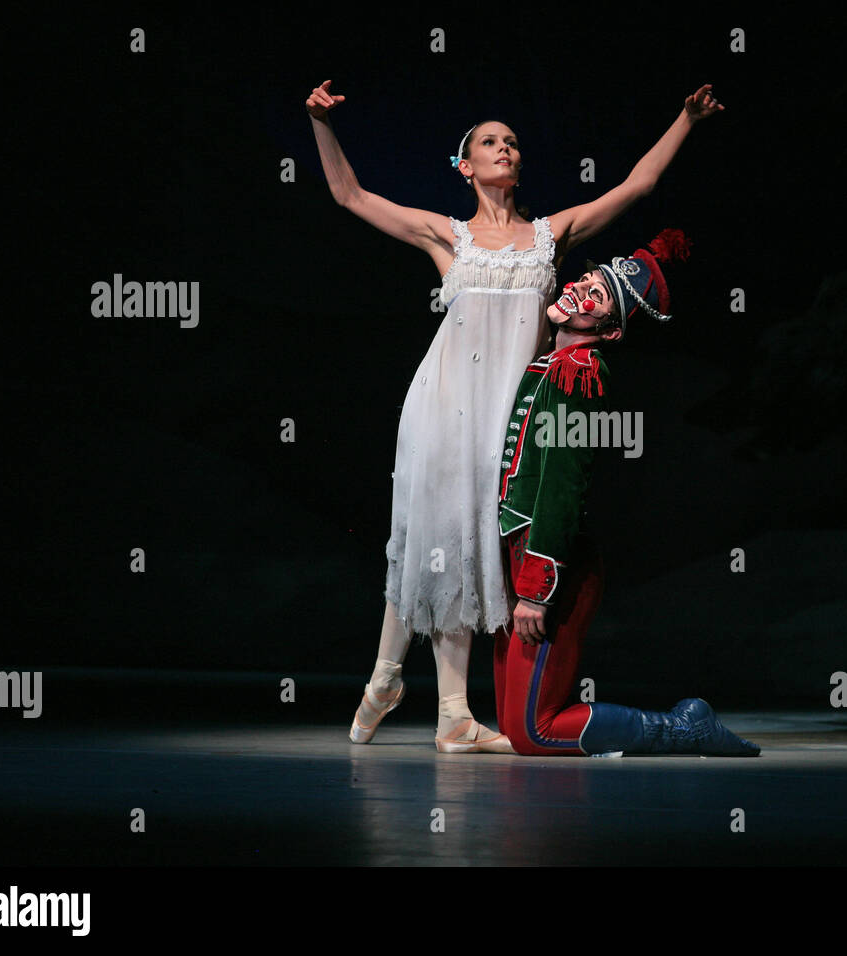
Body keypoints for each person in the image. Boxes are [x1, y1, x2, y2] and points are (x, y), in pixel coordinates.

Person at [304, 79, 726, 752]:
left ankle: (446, 714)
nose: (506, 148)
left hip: (510, 418)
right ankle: (405, 686)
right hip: (444, 405)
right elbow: (349, 195)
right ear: (466, 166)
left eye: (513, 141)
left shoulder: (550, 237)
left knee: (476, 552)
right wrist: (320, 122)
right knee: (438, 544)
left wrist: (685, 118)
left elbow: (637, 187)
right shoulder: (449, 237)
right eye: (490, 142)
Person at [492, 230, 760, 757]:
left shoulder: (580, 372)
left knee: (535, 733)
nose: (579, 291)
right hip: (519, 554)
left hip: (551, 568)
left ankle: (684, 729)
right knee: (513, 727)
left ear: (609, 331)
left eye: (598, 296)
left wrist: (535, 587)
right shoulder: (551, 364)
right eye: (585, 280)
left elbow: (562, 486)